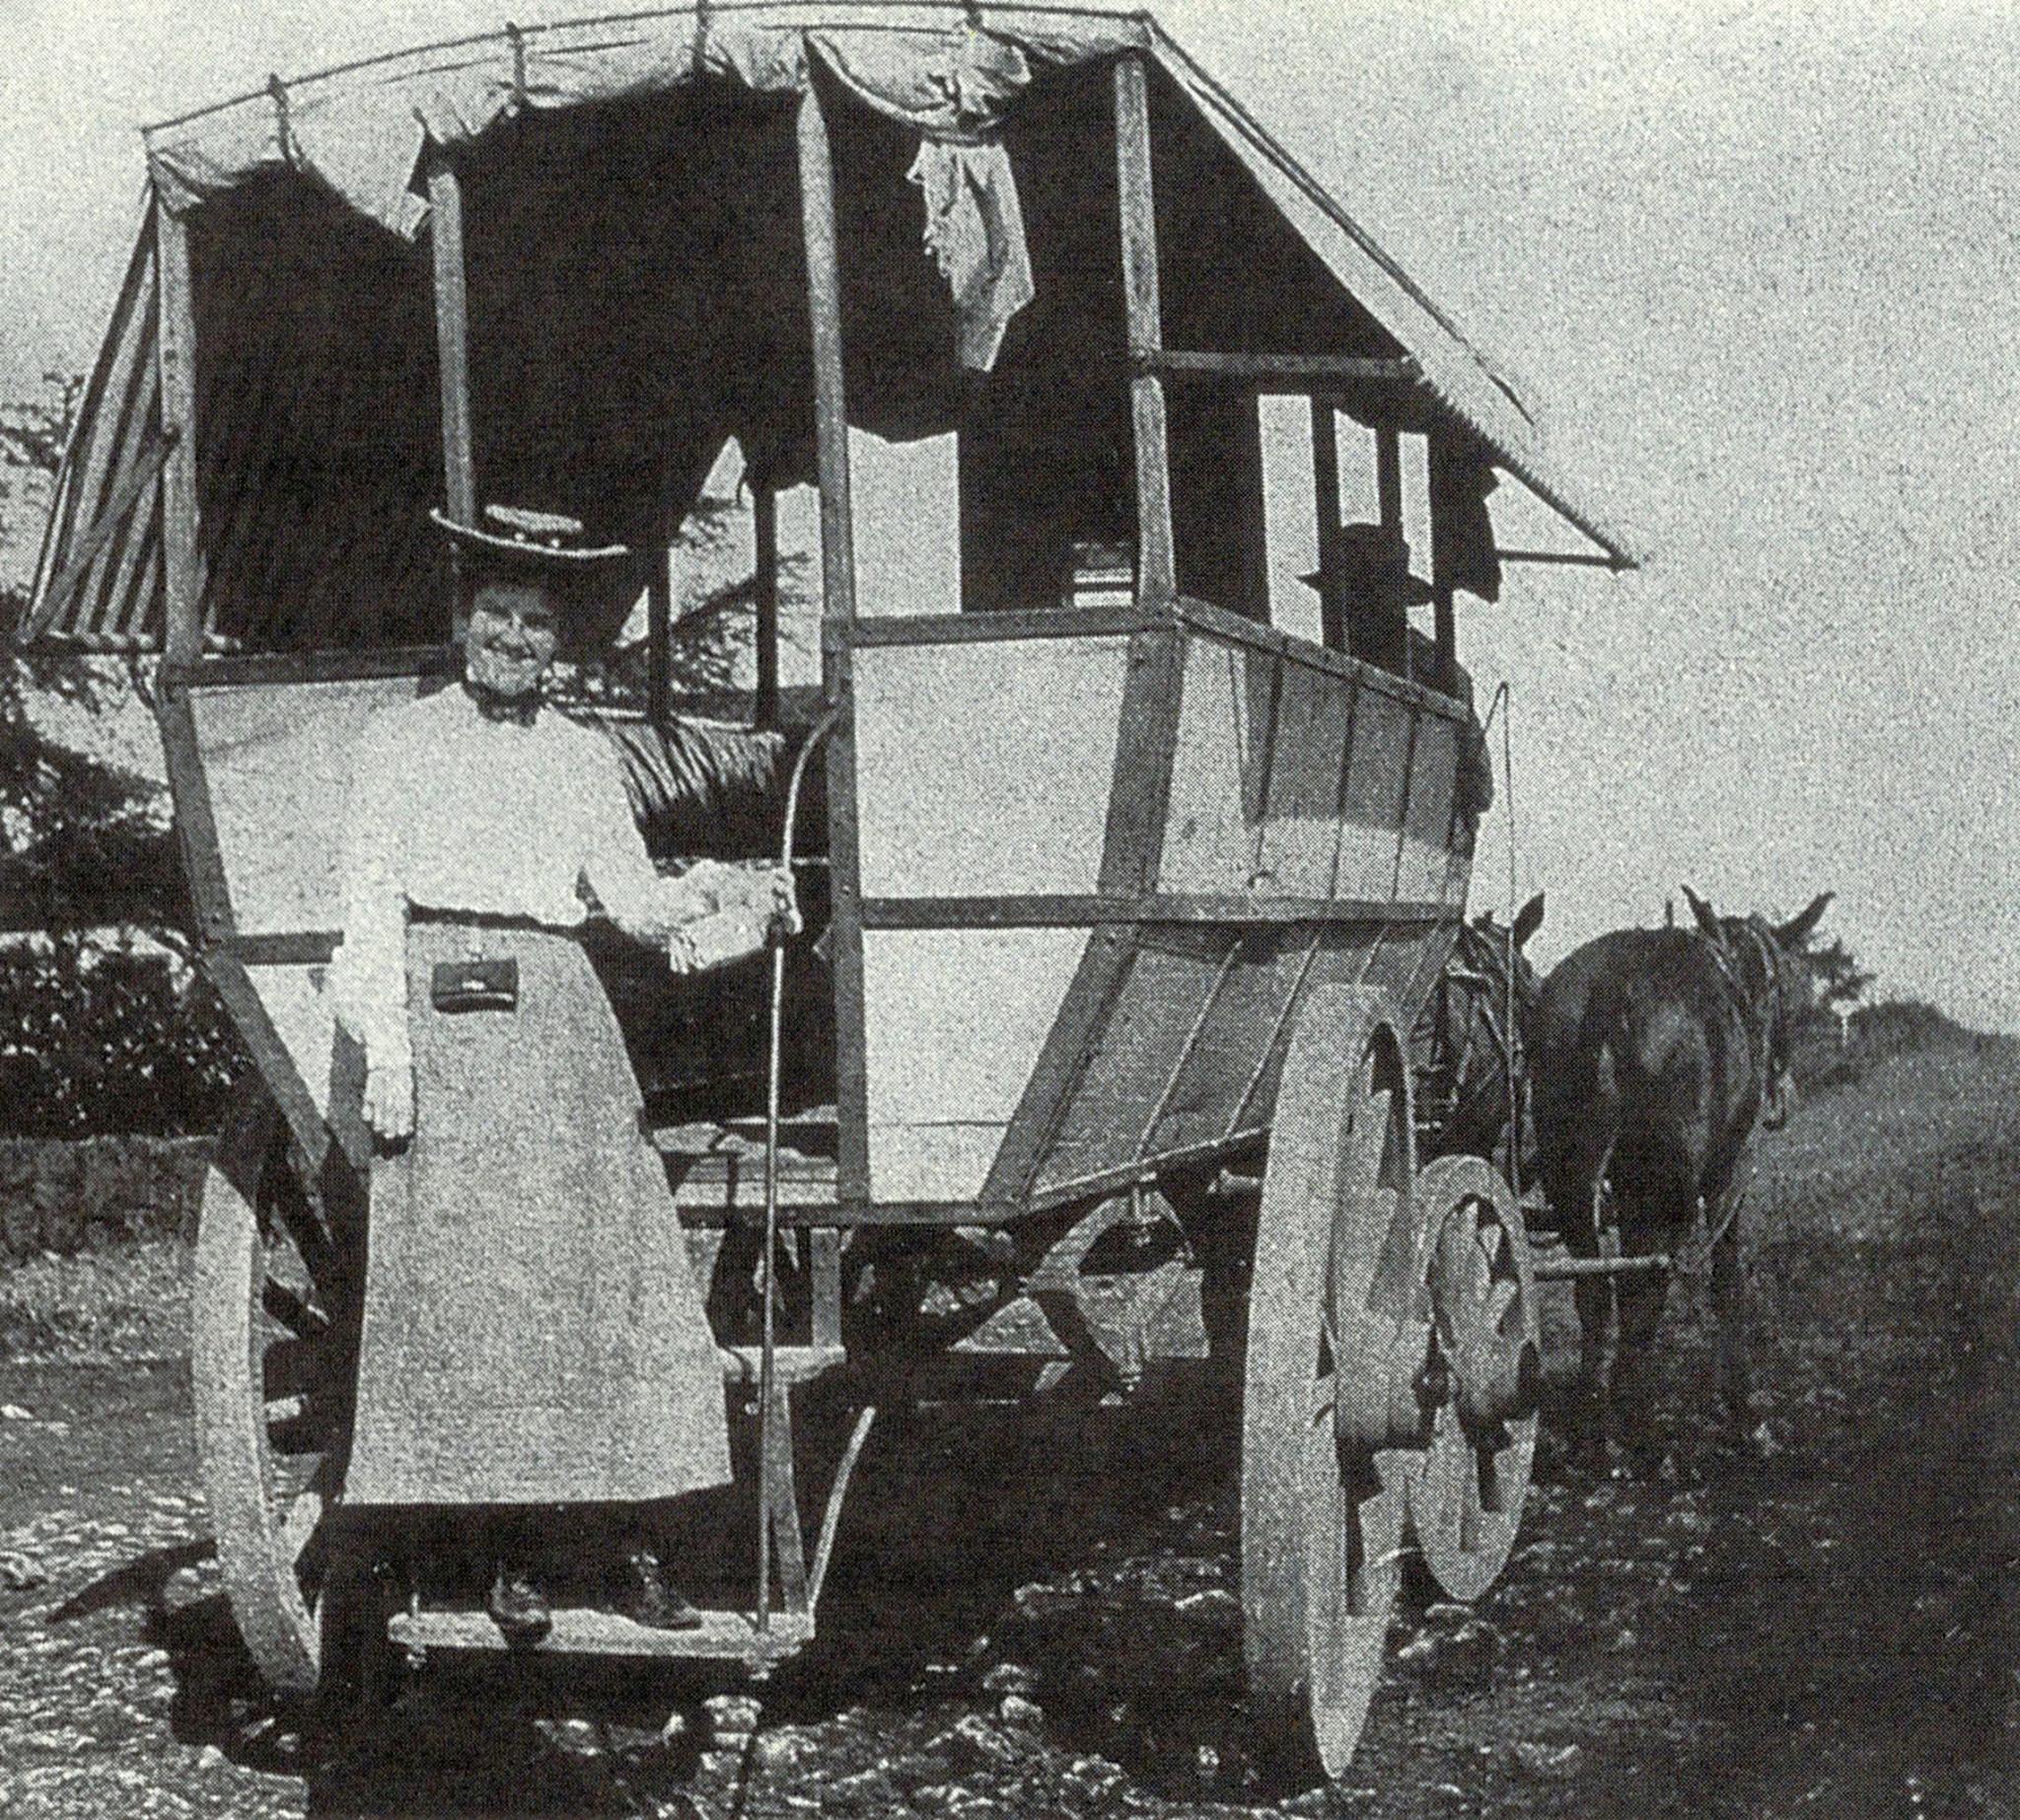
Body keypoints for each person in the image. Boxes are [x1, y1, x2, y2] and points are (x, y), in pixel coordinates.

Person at [325, 502, 798, 1643]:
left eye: (538, 624)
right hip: (441, 1029)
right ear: (462, 620)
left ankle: (631, 1548)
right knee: (478, 1299)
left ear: (562, 642)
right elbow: (366, 907)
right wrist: (386, 1052)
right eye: (497, 614)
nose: (516, 640)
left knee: (609, 1278)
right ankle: (503, 1557)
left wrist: (738, 904)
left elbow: (635, 909)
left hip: (561, 1031)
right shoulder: (396, 748)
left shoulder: (585, 759)